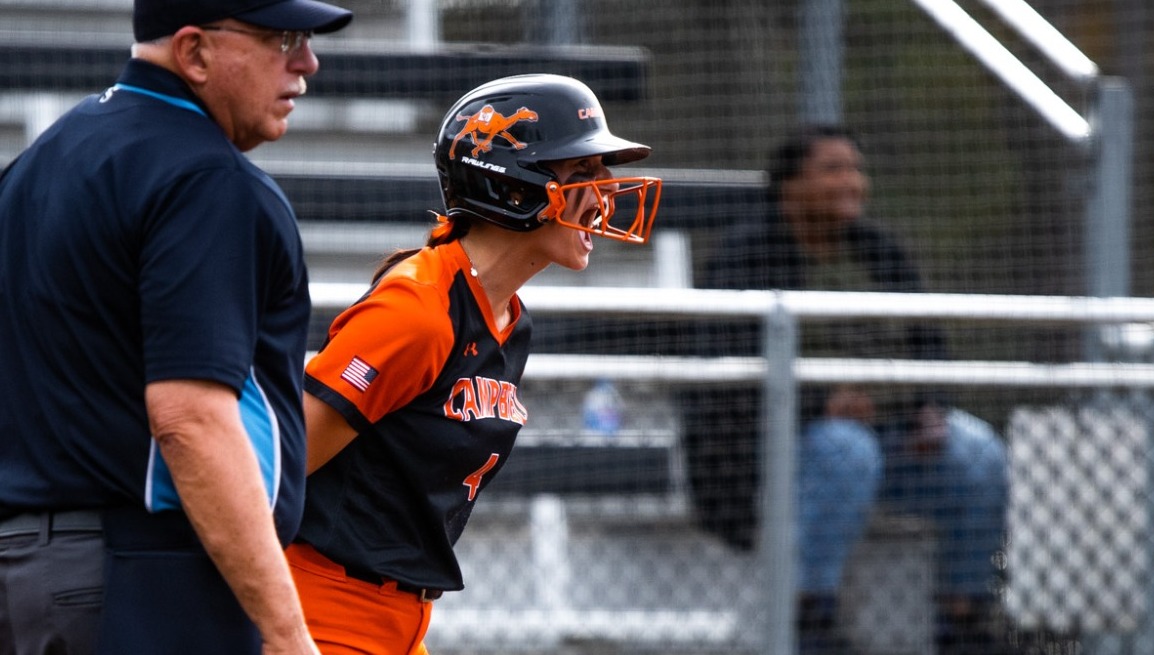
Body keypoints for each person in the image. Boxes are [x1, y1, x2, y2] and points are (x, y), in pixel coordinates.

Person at [0, 1, 352, 653]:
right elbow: (190, 419)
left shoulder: (44, 158)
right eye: (283, 39)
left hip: (26, 568)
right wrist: (286, 633)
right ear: (194, 52)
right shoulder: (204, 177)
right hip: (140, 578)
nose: (307, 62)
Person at [284, 74, 662, 655]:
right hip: (323, 609)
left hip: (398, 618)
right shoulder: (418, 310)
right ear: (513, 186)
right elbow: (278, 467)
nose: (603, 195)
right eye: (582, 172)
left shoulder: (508, 317)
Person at [685, 124, 1011, 654]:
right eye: (833, 169)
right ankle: (808, 616)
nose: (852, 182)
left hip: (891, 434)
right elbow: (726, 374)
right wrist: (822, 405)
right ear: (790, 186)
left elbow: (930, 343)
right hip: (776, 449)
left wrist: (930, 407)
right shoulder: (746, 255)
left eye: (856, 169)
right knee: (845, 447)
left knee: (978, 452)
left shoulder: (878, 251)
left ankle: (963, 618)